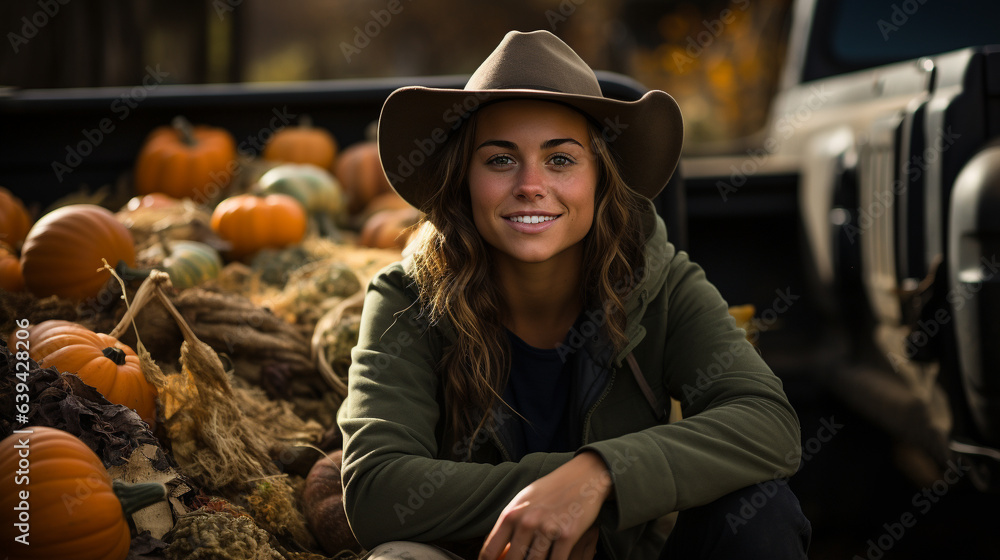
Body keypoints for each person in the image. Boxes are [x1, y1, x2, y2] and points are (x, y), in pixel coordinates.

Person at [337, 30, 811, 560]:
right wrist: (556, 490)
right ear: (462, 178)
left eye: (560, 159)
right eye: (499, 159)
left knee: (761, 509)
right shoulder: (408, 298)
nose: (530, 184)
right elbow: (377, 490)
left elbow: (767, 423)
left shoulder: (661, 282)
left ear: (600, 179)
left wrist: (599, 476)